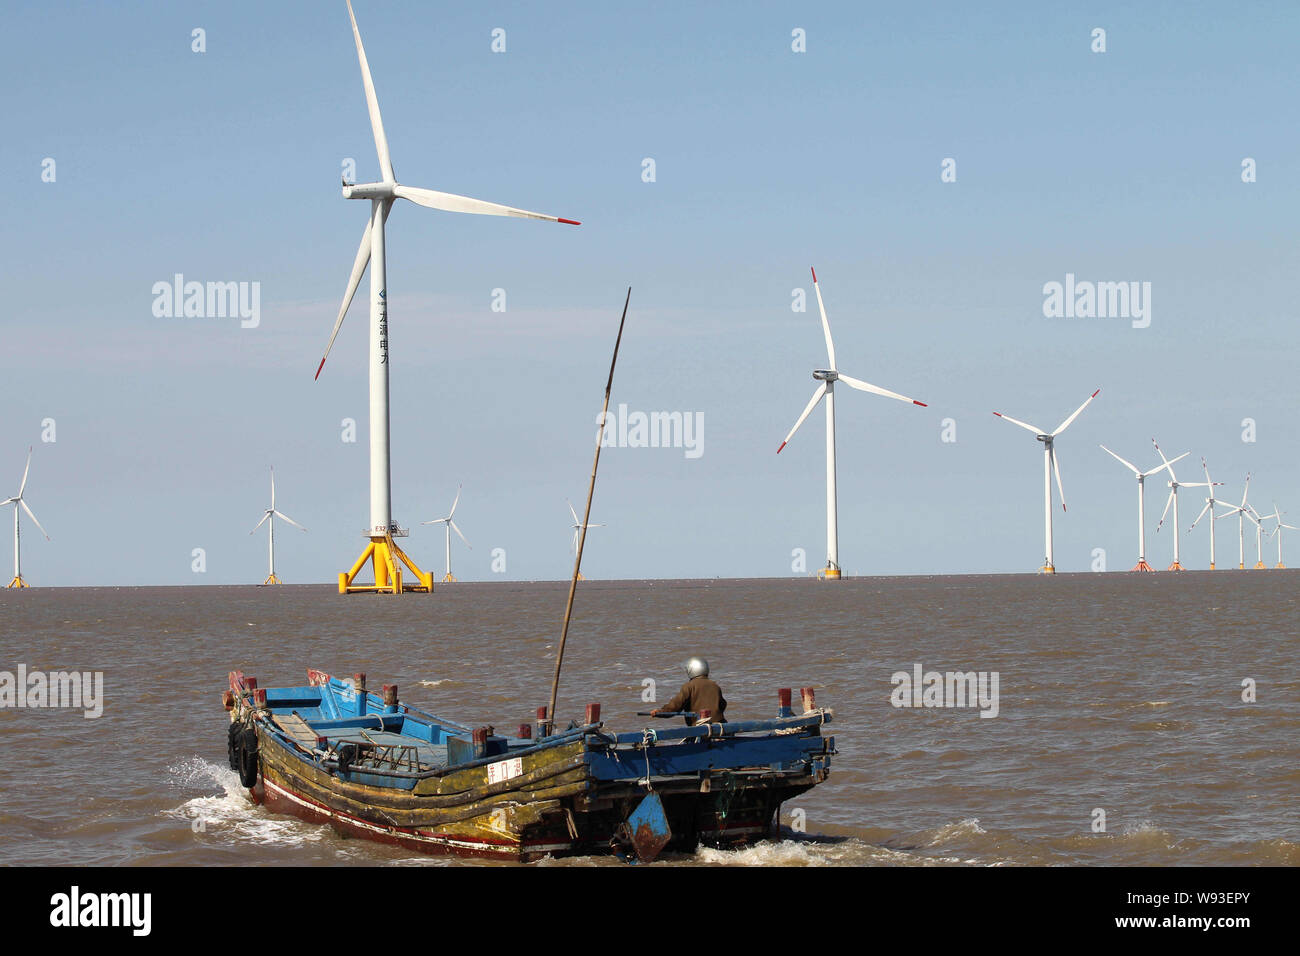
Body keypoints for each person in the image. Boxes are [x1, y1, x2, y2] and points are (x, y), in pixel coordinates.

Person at [651, 657, 726, 725]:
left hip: (700, 730)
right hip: (720, 727)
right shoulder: (715, 686)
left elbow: (675, 706)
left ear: (691, 670)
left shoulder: (689, 686)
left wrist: (660, 712)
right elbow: (723, 705)